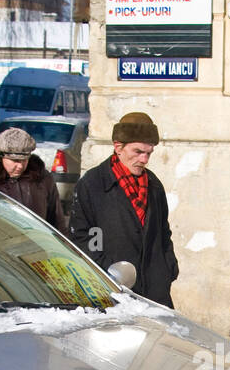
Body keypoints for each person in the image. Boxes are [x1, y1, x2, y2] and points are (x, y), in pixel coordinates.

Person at [68, 111, 179, 307]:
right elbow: (84, 238)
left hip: (155, 291)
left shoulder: (153, 184)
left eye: (149, 153)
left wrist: (168, 267)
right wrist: (107, 273)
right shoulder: (92, 184)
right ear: (118, 147)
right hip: (115, 292)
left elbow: (163, 231)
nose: (144, 159)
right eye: (138, 152)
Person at [0, 128, 67, 232]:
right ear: (0, 156)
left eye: (24, 160)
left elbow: (56, 220)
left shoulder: (42, 179)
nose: (20, 166)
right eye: (15, 161)